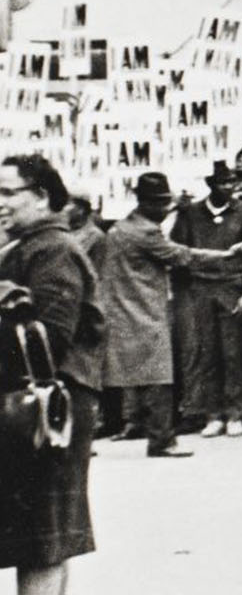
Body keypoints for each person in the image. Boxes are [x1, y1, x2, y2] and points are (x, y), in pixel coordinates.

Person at [0, 155, 106, 594]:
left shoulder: (53, 250)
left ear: (42, 195)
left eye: (8, 192)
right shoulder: (29, 247)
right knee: (42, 540)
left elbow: (49, 340)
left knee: (41, 542)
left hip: (46, 411)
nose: (0, 203)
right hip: (36, 409)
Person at [102, 173, 242, 456]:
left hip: (122, 310)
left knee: (134, 378)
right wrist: (225, 255)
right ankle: (162, 440)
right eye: (163, 203)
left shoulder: (120, 228)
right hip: (144, 311)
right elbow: (183, 255)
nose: (166, 208)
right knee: (159, 378)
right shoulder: (146, 233)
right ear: (147, 203)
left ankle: (145, 431)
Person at [170, 162, 242, 438]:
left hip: (231, 289)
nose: (228, 188)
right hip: (201, 289)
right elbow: (179, 250)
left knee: (232, 353)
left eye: (231, 182)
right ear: (210, 184)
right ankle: (212, 415)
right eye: (222, 183)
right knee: (207, 353)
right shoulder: (192, 213)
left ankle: (235, 413)